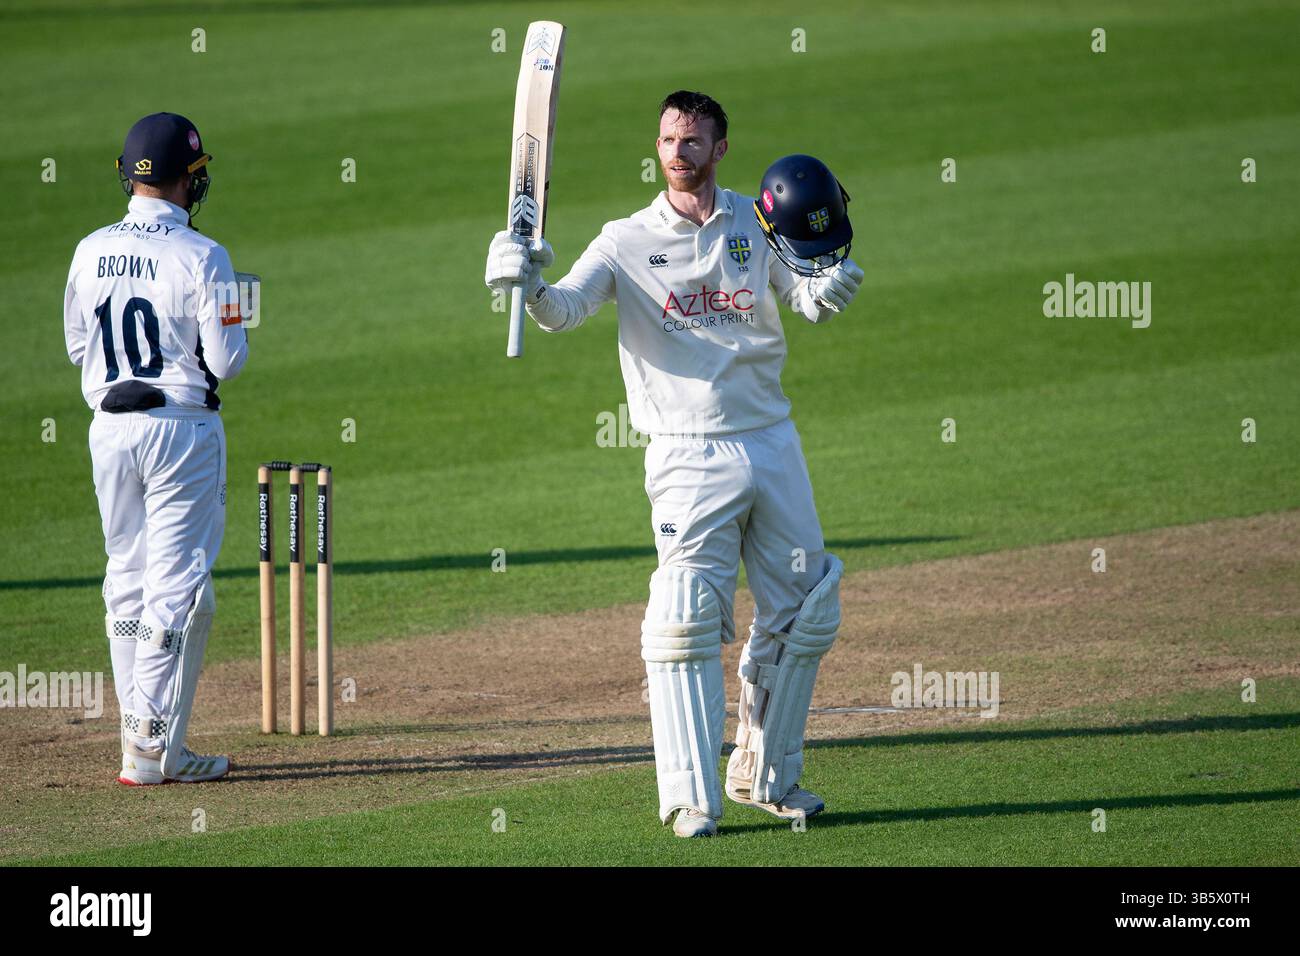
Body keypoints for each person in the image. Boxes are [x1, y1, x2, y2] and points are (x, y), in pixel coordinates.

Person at [484, 91, 864, 837]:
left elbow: (805, 292)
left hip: (772, 439)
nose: (678, 153)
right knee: (685, 619)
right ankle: (692, 800)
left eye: (693, 141)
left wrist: (829, 290)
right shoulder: (625, 240)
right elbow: (562, 309)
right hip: (687, 456)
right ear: (656, 147)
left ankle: (768, 776)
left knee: (804, 611)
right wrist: (524, 284)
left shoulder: (755, 224)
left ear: (720, 149)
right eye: (667, 140)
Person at [63, 112, 248, 785]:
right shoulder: (205, 257)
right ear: (188, 180)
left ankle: (143, 741)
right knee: (175, 586)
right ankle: (148, 744)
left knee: (126, 581)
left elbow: (79, 346)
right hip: (181, 431)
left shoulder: (88, 250)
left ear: (127, 175)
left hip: (108, 429)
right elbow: (227, 363)